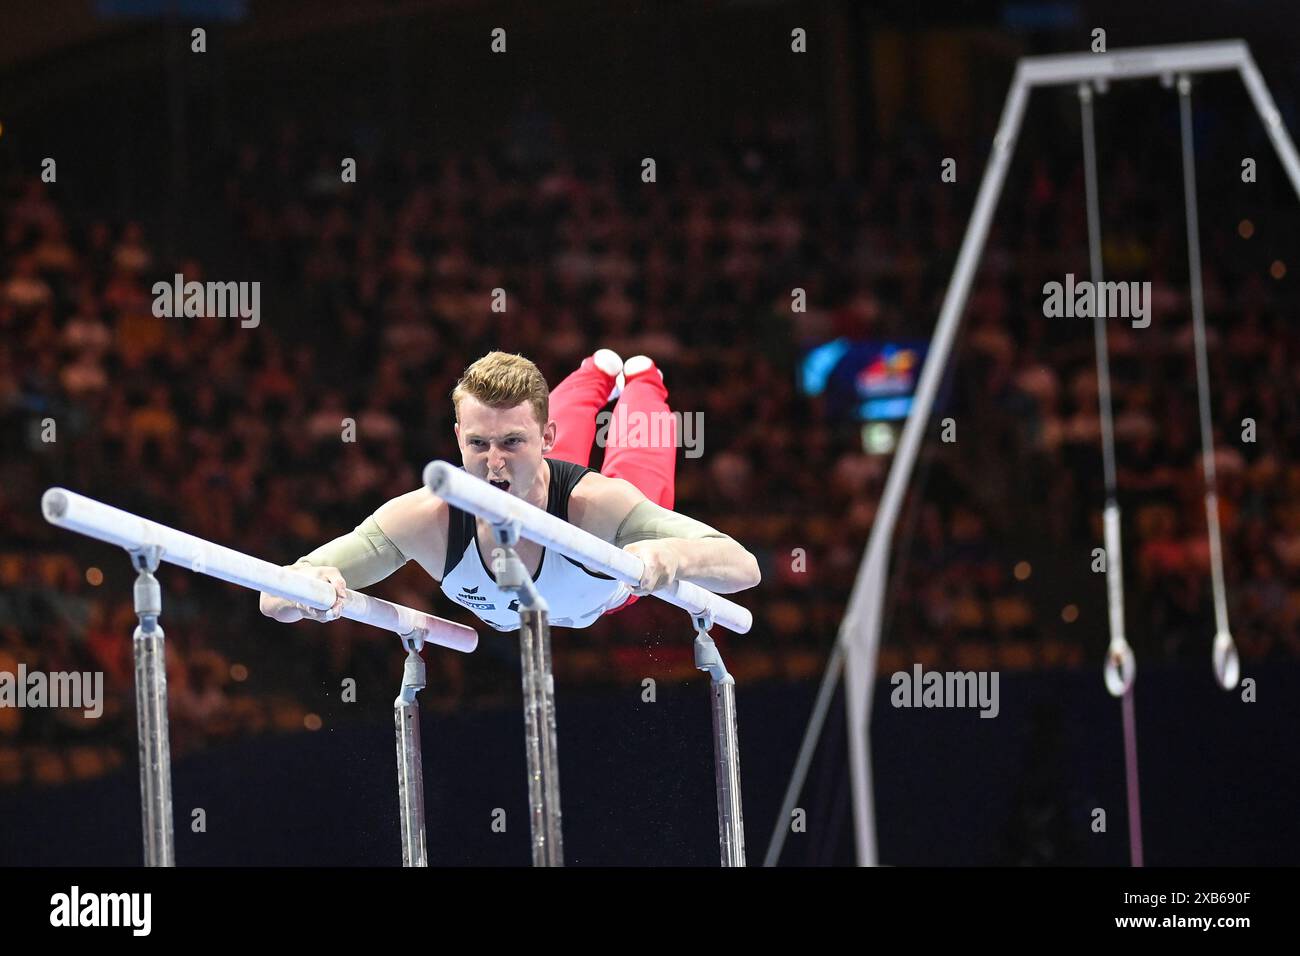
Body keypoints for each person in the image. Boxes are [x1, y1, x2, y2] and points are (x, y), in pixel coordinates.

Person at [259, 350, 760, 631]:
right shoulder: (422, 520)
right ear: (457, 437)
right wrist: (306, 588)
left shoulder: (598, 505)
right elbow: (271, 597)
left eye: (511, 442)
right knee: (529, 468)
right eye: (477, 442)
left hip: (607, 593)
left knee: (634, 466)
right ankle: (594, 374)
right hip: (549, 545)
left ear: (545, 439)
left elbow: (744, 568)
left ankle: (642, 378)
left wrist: (671, 556)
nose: (493, 460)